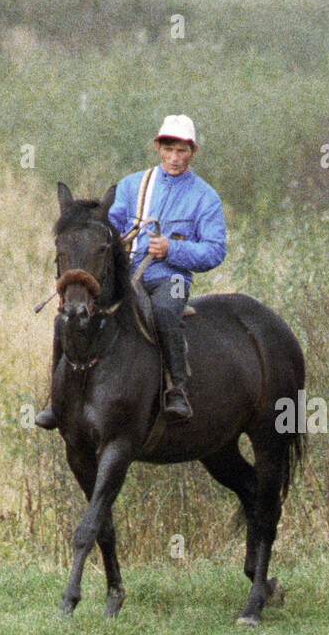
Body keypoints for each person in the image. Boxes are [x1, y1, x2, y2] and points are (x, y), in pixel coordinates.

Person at [36, 114, 226, 428]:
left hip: (173, 278)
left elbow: (215, 250)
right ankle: (57, 401)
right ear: (158, 147)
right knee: (69, 315)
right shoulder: (132, 186)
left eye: (182, 151)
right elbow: (107, 227)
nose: (174, 158)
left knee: (165, 310)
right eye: (169, 150)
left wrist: (172, 249)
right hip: (131, 274)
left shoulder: (205, 198)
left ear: (192, 152)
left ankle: (176, 388)